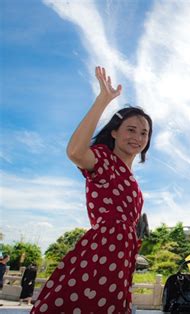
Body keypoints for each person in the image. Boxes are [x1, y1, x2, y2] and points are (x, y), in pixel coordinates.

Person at [31, 67, 153, 314]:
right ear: (115, 132)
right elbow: (75, 152)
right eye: (131, 129)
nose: (138, 137)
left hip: (122, 256)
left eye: (144, 133)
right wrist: (103, 100)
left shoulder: (132, 179)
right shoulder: (103, 159)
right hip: (102, 252)